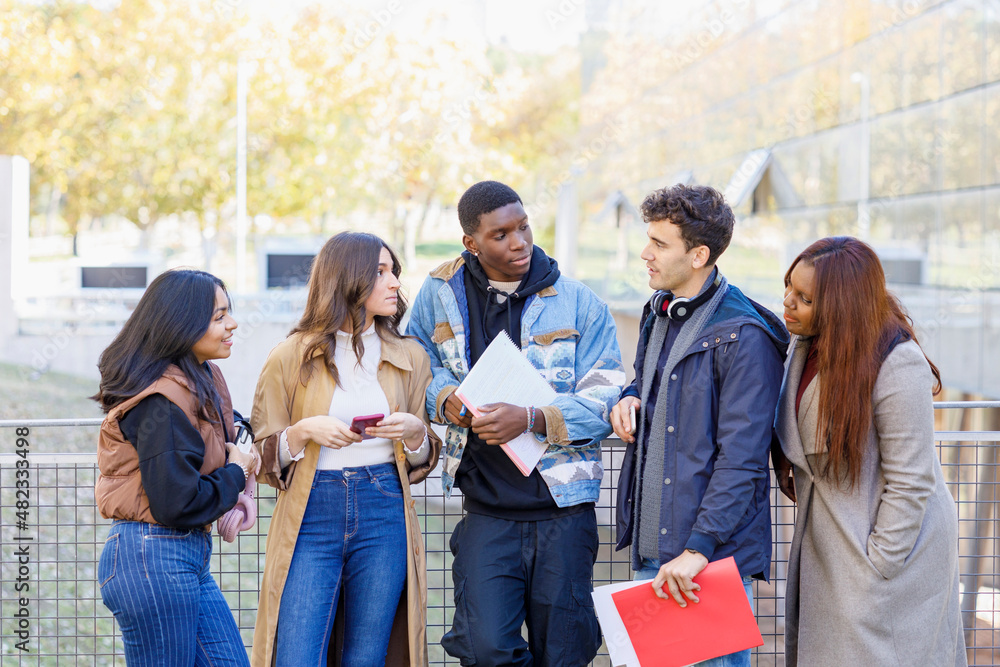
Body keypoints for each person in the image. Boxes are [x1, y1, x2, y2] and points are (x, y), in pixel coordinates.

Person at [407, 180, 625, 666]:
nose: (518, 242)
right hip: (486, 510)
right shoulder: (439, 294)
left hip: (563, 512)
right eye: (501, 234)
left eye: (523, 227)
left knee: (565, 653)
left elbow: (607, 395)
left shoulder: (577, 301)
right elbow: (413, 361)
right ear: (472, 243)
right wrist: (445, 401)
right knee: (485, 649)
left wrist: (533, 418)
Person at [609, 184, 787, 666]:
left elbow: (743, 460)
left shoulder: (746, 336)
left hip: (706, 563)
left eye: (659, 244)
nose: (645, 254)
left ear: (699, 255)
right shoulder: (658, 311)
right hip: (657, 553)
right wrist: (628, 398)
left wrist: (698, 551)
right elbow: (647, 380)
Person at [249, 232, 441, 666]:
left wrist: (413, 432)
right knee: (297, 655)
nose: (394, 282)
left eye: (394, 271)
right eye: (379, 272)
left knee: (367, 656)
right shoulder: (288, 356)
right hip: (310, 512)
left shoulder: (412, 356)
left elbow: (425, 454)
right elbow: (261, 459)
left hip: (385, 509)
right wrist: (301, 433)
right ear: (346, 278)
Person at [773, 236, 966, 666]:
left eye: (804, 298)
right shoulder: (805, 344)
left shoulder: (896, 361)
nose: (788, 301)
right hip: (833, 541)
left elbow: (912, 481)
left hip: (890, 554)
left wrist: (877, 565)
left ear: (841, 307)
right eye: (789, 286)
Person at [94, 269, 258, 666]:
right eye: (219, 316)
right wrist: (236, 471)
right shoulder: (161, 400)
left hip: (182, 557)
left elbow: (217, 436)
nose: (232, 323)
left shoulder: (197, 379)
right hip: (153, 559)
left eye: (228, 313)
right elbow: (175, 502)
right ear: (181, 325)